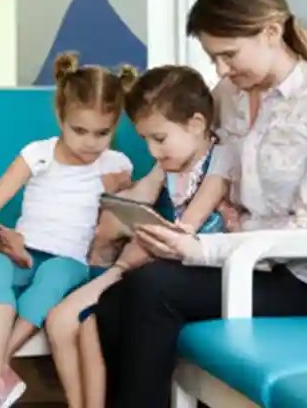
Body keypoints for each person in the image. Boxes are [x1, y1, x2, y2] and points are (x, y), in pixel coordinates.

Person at [95, 0, 307, 408]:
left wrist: (196, 248)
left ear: (272, 32)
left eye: (229, 54)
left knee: (152, 289)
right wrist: (138, 202)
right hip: (241, 262)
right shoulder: (228, 95)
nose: (220, 69)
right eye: (212, 56)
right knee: (114, 300)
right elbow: (189, 153)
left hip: (302, 281)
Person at [44, 65, 241, 408]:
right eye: (145, 140)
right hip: (157, 258)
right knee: (88, 321)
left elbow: (189, 226)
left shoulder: (218, 160)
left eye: (159, 139)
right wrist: (112, 202)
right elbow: (140, 196)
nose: (152, 150)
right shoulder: (169, 163)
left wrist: (160, 236)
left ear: (196, 125)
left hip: (194, 264)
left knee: (74, 315)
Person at [0, 52, 138, 408]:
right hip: (24, 250)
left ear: (116, 125)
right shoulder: (37, 153)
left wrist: (118, 191)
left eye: (102, 133)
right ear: (60, 116)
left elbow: (118, 224)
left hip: (71, 259)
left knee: (55, 279)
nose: (90, 142)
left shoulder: (118, 165)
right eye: (79, 130)